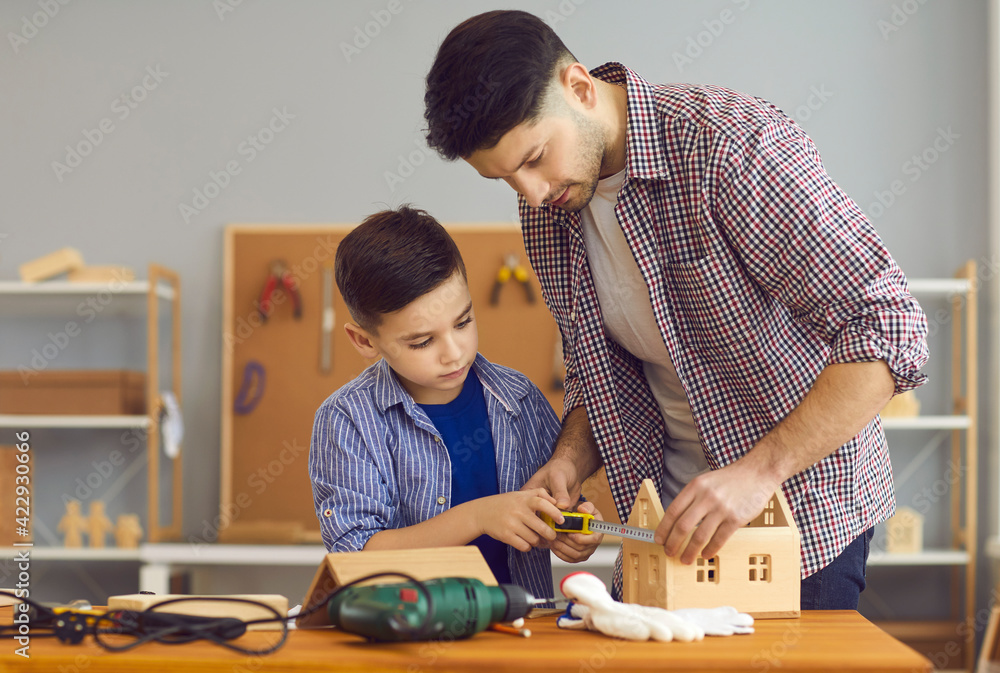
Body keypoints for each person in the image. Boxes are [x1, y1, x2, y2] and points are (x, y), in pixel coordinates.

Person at [423, 10, 929, 609]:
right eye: (505, 180)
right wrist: (568, 463)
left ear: (580, 88)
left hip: (797, 523)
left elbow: (892, 329)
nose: (530, 194)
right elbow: (599, 374)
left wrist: (758, 474)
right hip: (664, 529)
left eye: (534, 159)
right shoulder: (549, 214)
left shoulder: (730, 147)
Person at [309, 205, 603, 600]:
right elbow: (356, 558)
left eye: (463, 322)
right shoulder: (347, 420)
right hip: (405, 640)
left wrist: (573, 528)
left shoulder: (518, 399)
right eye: (422, 341)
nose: (454, 352)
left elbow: (557, 504)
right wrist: (480, 517)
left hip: (518, 636)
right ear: (365, 341)